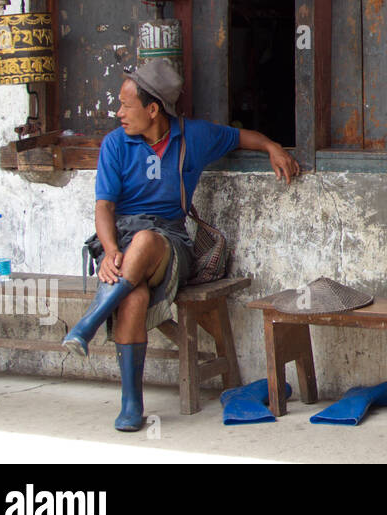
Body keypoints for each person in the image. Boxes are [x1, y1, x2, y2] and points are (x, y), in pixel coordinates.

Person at [62, 58, 301, 432]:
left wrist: (272, 146)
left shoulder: (193, 137)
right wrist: (109, 250)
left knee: (146, 241)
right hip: (121, 243)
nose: (119, 113)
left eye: (127, 105)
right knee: (135, 298)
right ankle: (131, 404)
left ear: (153, 109)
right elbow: (104, 206)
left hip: (168, 243)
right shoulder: (115, 144)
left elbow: (240, 137)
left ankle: (89, 323)